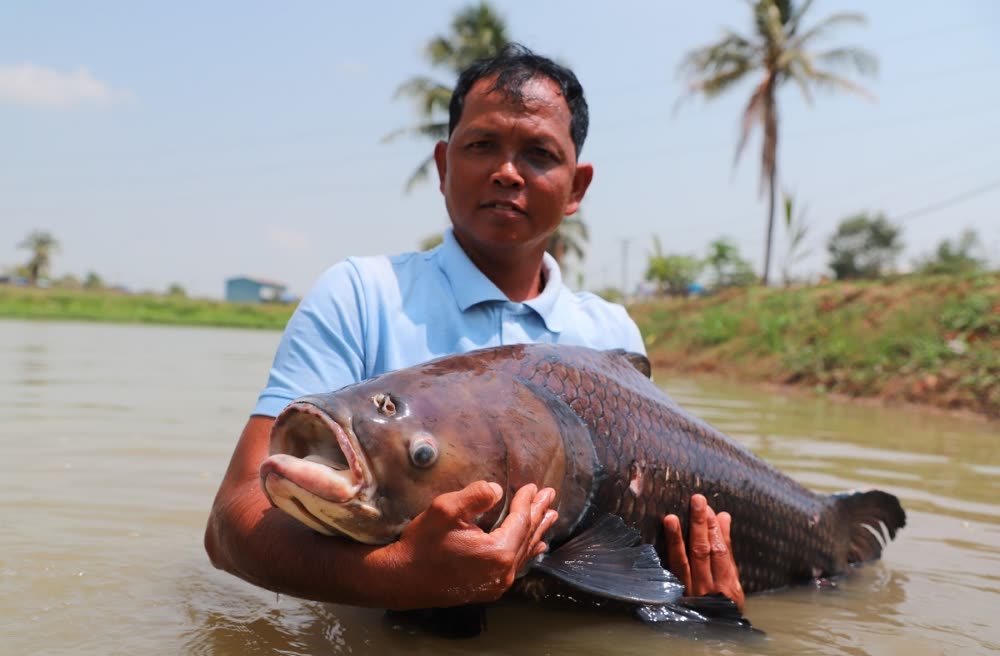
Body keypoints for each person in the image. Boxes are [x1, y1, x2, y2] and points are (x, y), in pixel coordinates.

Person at [204, 44, 744, 613]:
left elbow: (640, 568)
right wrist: (396, 576)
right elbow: (230, 523)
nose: (507, 172)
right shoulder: (361, 295)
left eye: (538, 153)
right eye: (482, 145)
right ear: (443, 165)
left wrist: (707, 606)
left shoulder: (610, 333)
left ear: (577, 187)